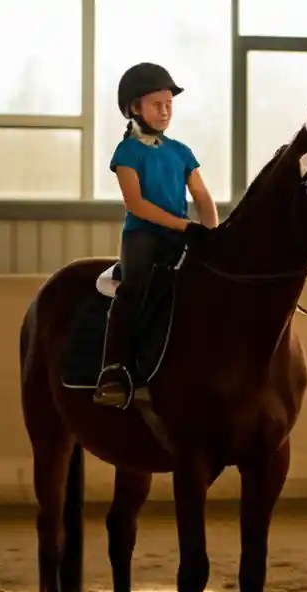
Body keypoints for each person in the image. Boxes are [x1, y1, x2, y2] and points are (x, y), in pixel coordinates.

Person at [94, 62, 219, 409]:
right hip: (143, 237)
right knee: (132, 292)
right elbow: (136, 204)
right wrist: (186, 227)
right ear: (135, 108)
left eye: (169, 105)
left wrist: (211, 232)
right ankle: (114, 370)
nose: (165, 111)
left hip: (181, 234)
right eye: (157, 105)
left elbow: (203, 197)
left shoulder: (180, 151)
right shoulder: (127, 153)